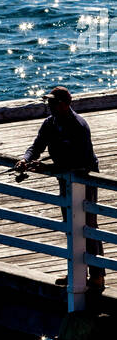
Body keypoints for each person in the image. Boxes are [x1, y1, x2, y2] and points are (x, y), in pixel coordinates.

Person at [14, 86, 104, 290]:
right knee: (70, 227)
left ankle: (97, 275)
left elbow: (79, 161)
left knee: (88, 227)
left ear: (65, 104)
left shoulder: (79, 126)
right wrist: (25, 159)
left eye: (53, 102)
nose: (49, 105)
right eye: (48, 102)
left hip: (83, 178)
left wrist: (49, 167)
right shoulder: (50, 123)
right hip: (64, 178)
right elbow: (36, 146)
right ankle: (76, 271)